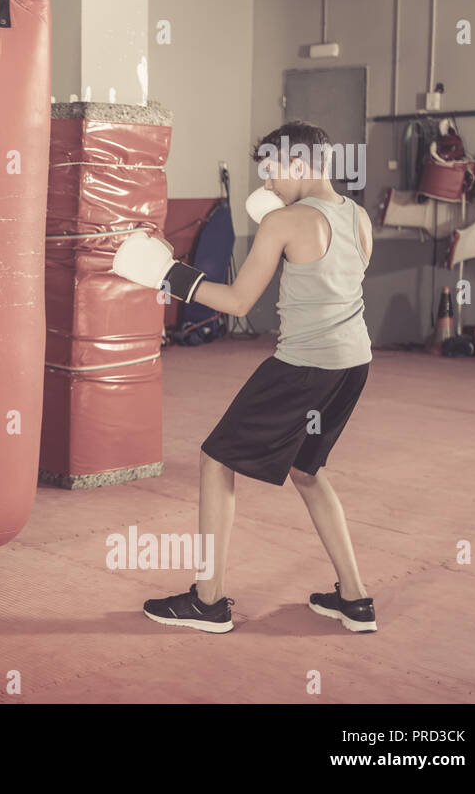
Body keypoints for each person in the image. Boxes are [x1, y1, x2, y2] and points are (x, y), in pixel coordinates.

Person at [112, 121, 376, 634]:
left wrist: (166, 275)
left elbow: (236, 302)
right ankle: (354, 598)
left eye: (273, 171)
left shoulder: (286, 222)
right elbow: (332, 282)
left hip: (304, 366)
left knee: (215, 461)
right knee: (307, 471)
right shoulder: (359, 217)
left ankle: (208, 602)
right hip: (353, 365)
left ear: (299, 165)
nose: (267, 185)